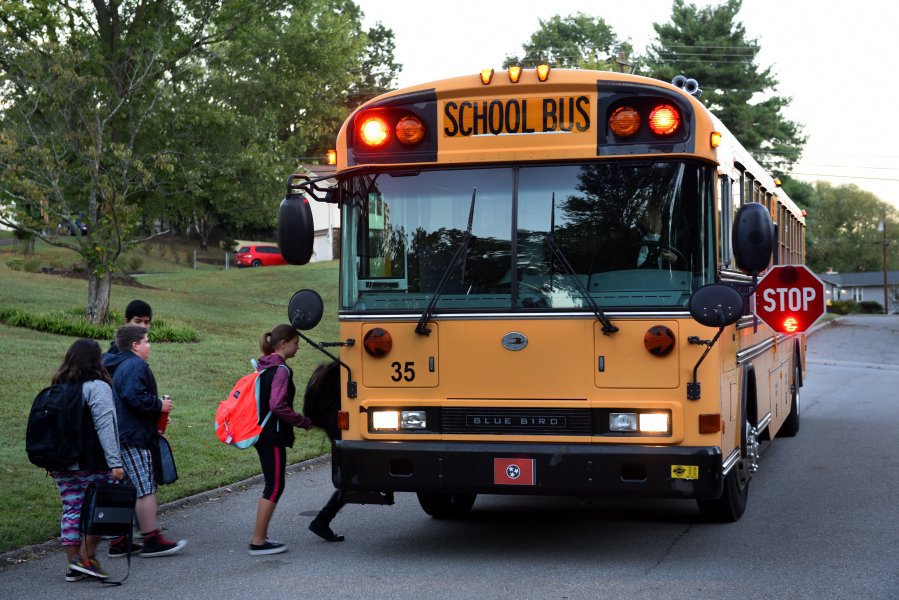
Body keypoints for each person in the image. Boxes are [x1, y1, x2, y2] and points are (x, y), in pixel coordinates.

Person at [103, 324, 187, 557]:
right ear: (135, 345)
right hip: (133, 437)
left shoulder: (118, 365)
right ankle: (151, 539)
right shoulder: (135, 365)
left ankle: (119, 540)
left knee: (127, 487)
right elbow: (133, 396)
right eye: (146, 341)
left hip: (122, 433)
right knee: (144, 486)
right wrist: (159, 405)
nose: (149, 346)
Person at [47, 339, 124, 582]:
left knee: (71, 509)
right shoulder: (97, 387)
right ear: (95, 361)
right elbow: (105, 426)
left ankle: (74, 566)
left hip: (61, 462)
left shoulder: (57, 387)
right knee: (108, 508)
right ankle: (84, 558)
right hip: (90, 462)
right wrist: (115, 463)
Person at [249, 324, 313, 555]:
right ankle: (258, 541)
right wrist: (301, 421)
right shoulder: (281, 370)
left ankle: (261, 537)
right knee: (275, 486)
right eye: (296, 343)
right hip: (273, 435)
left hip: (261, 433)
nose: (298, 348)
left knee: (272, 484)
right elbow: (277, 405)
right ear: (283, 344)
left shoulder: (264, 366)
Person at [304, 361, 346, 542]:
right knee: (351, 478)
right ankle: (322, 520)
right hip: (338, 424)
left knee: (349, 477)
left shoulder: (327, 371)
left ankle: (323, 520)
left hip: (331, 423)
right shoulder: (341, 374)